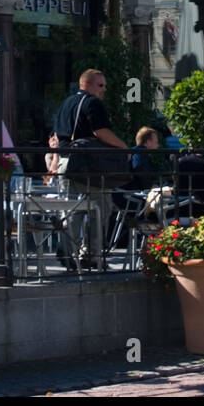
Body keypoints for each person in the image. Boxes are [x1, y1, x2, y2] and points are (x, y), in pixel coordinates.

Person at [52, 69, 127, 268]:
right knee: (100, 208)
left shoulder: (65, 104)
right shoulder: (92, 103)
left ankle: (67, 254)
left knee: (71, 210)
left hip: (65, 162)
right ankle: (92, 256)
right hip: (89, 164)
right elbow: (100, 131)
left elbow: (56, 136)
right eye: (100, 85)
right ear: (86, 85)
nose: (104, 90)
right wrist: (123, 147)